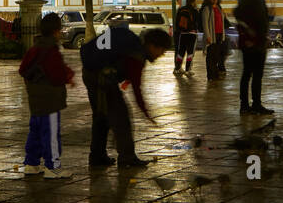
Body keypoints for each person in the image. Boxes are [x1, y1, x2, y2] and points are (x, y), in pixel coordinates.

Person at [80, 25, 171, 169]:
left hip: (91, 73)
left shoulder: (133, 46)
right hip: (100, 79)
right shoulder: (136, 56)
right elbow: (137, 89)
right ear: (152, 46)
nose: (161, 55)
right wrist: (146, 112)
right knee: (121, 116)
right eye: (162, 50)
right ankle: (127, 158)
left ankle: (97, 156)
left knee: (101, 116)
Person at [15, 12, 74, 179]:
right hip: (50, 99)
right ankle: (52, 166)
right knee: (51, 133)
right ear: (56, 31)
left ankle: (31, 163)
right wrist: (67, 77)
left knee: (35, 130)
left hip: (35, 97)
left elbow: (22, 69)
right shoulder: (51, 50)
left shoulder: (35, 48)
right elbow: (57, 75)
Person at [234, 0, 274, 116]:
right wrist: (252, 34)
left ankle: (247, 105)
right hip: (255, 43)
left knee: (248, 74)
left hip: (253, 42)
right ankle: (253, 104)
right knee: (254, 75)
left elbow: (237, 13)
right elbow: (258, 22)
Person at [201, 0, 226, 80]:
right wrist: (208, 36)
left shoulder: (219, 9)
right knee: (210, 56)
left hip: (219, 34)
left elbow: (222, 22)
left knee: (217, 56)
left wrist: (223, 35)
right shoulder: (206, 9)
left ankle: (215, 74)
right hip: (212, 35)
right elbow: (205, 24)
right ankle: (210, 75)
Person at [174, 0, 200, 75]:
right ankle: (188, 69)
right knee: (190, 52)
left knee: (180, 51)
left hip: (182, 34)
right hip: (192, 34)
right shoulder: (195, 11)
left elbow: (177, 21)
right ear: (193, 2)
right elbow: (197, 22)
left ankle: (177, 68)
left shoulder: (181, 9)